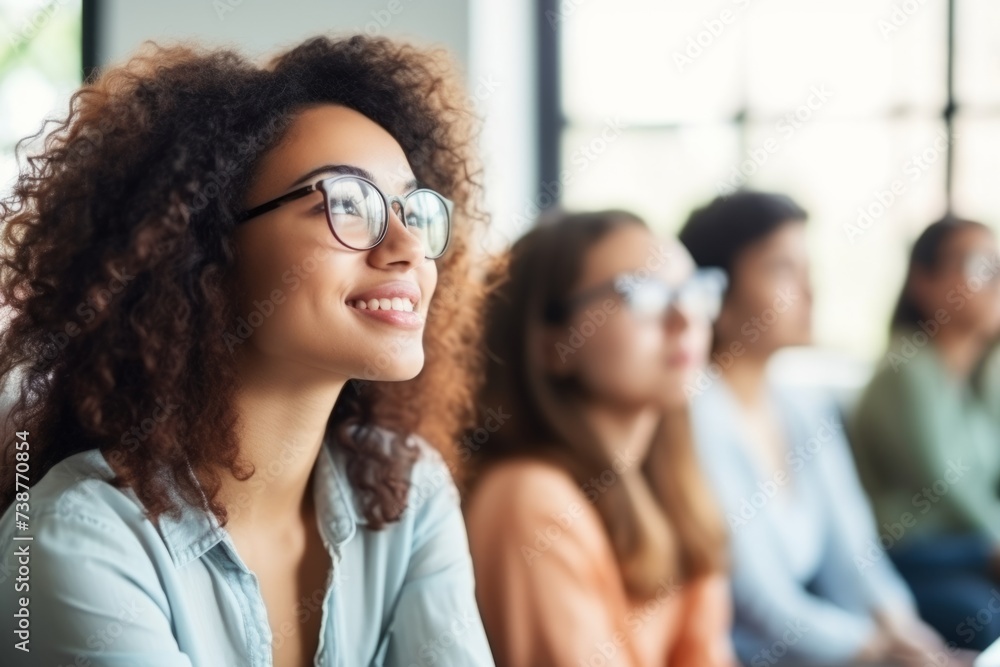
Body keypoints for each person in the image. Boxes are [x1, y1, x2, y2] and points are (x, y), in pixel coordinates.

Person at [0, 35, 494, 666]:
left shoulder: (407, 494)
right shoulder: (77, 540)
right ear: (205, 248)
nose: (406, 248)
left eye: (413, 211)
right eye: (345, 202)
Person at [679, 191, 960, 666]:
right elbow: (759, 606)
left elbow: (856, 554)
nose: (810, 289)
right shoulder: (693, 415)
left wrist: (909, 635)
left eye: (806, 267)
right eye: (781, 269)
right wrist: (878, 652)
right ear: (718, 295)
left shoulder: (802, 406)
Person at [463, 209, 737, 666]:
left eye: (695, 292)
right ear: (551, 343)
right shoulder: (528, 497)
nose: (685, 319)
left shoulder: (670, 482)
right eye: (645, 295)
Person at [850, 216, 1000, 650]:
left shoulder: (979, 373)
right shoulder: (907, 368)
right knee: (983, 615)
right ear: (924, 281)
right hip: (913, 554)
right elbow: (947, 481)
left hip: (968, 549)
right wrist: (994, 542)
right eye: (978, 265)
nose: (994, 281)